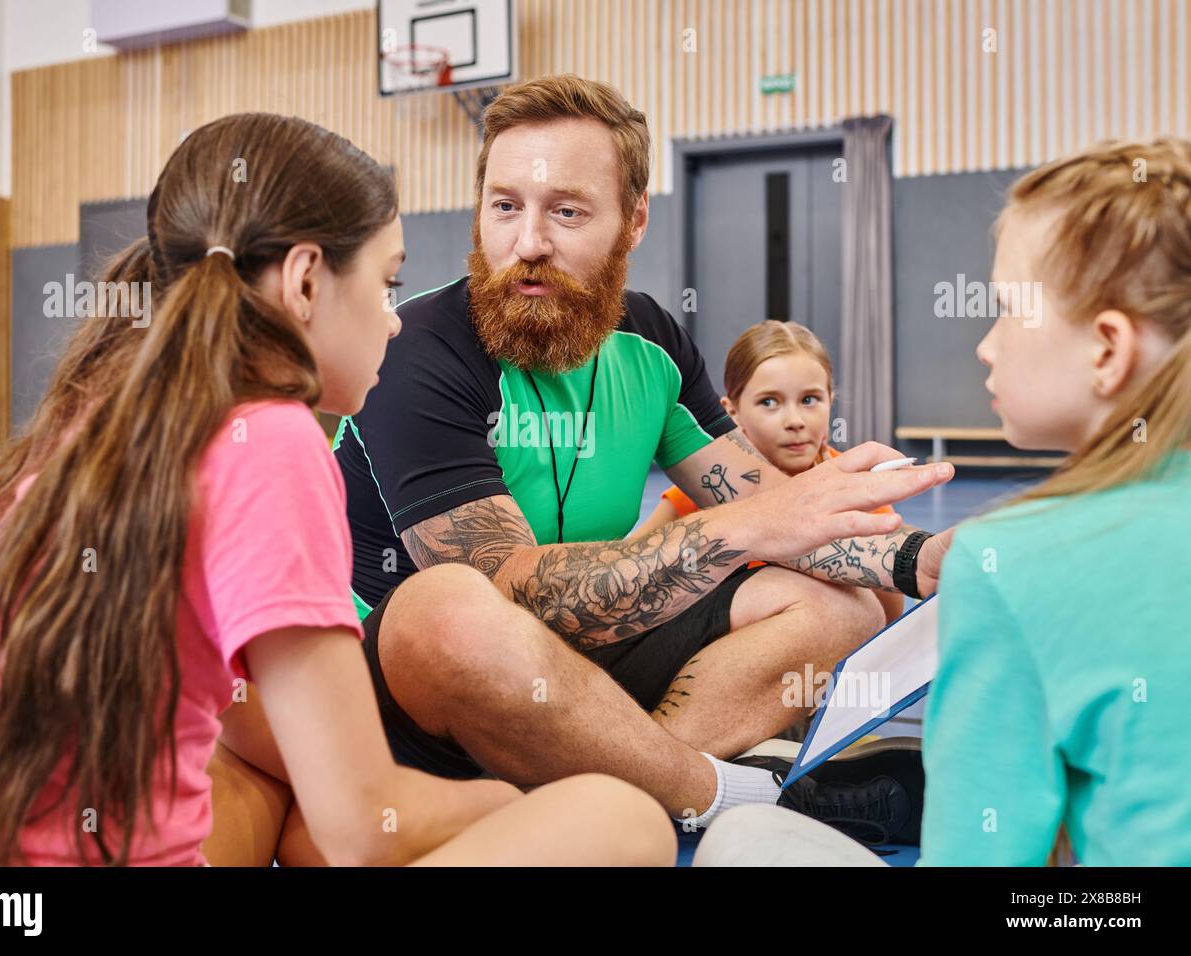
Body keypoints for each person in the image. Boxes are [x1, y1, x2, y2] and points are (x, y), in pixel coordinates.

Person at [0, 112, 675, 867]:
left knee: (284, 792)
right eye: (386, 283)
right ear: (305, 281)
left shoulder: (104, 409)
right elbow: (365, 833)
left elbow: (245, 719)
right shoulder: (272, 439)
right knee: (623, 818)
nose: (395, 320)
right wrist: (513, 805)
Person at [317, 73, 958, 843]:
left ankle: (629, 790)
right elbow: (507, 597)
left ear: (634, 220)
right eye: (505, 205)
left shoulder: (650, 338)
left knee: (836, 601)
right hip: (427, 688)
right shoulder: (416, 349)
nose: (527, 244)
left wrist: (926, 560)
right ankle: (724, 795)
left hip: (578, 671)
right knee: (449, 612)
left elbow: (767, 502)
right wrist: (742, 530)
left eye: (568, 212)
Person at [920, 137, 1191, 865]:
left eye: (1008, 310)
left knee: (755, 838)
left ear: (1106, 348)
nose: (987, 346)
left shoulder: (1012, 563)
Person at [635, 319, 905, 626]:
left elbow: (889, 613)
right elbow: (634, 571)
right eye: (769, 402)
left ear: (830, 400)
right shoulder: (707, 485)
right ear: (731, 412)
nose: (794, 420)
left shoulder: (859, 490)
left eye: (809, 400)